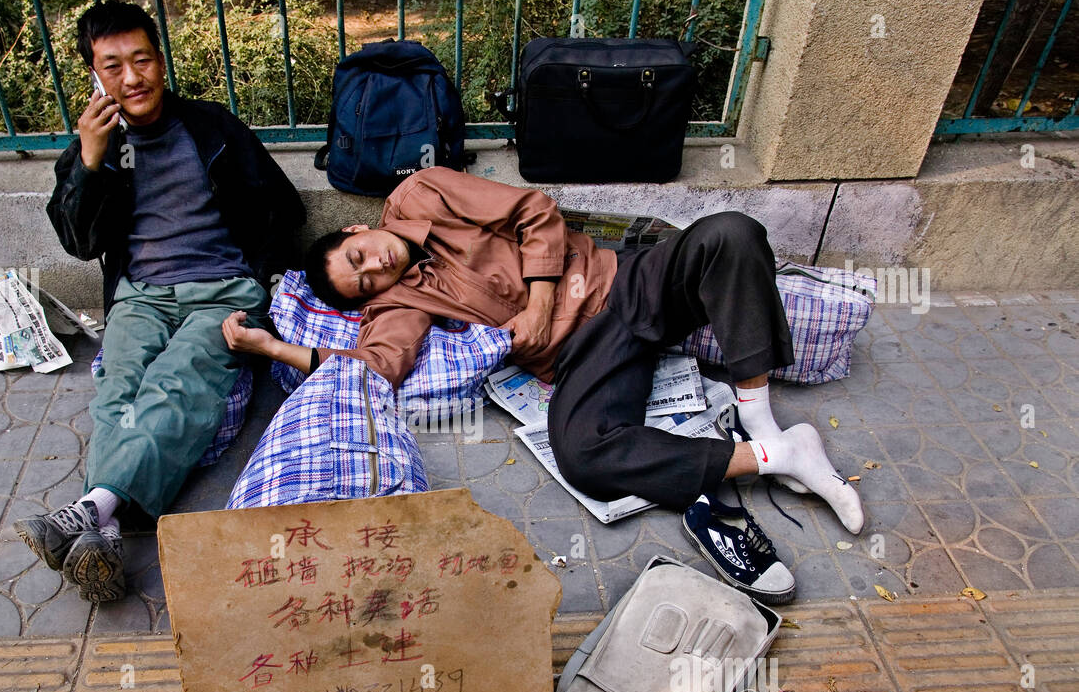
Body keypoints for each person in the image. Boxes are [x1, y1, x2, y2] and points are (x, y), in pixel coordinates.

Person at [222, 166, 861, 604]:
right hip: (585, 355)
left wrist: (537, 300)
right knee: (584, 454)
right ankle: (780, 457)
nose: (375, 269)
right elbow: (375, 365)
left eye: (360, 257)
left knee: (732, 233)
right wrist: (272, 347)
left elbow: (535, 212)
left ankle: (762, 421)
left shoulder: (420, 193)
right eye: (364, 284)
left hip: (624, 278)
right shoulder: (400, 304)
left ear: (359, 231)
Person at [15, 0, 304, 602]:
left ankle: (89, 510)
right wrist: (90, 167)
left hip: (219, 294)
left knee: (178, 380)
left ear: (161, 63)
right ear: (94, 76)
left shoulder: (212, 128)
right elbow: (79, 242)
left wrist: (256, 281)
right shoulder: (93, 147)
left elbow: (285, 208)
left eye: (142, 60)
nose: (131, 78)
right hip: (140, 295)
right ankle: (105, 522)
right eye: (113, 66)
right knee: (119, 385)